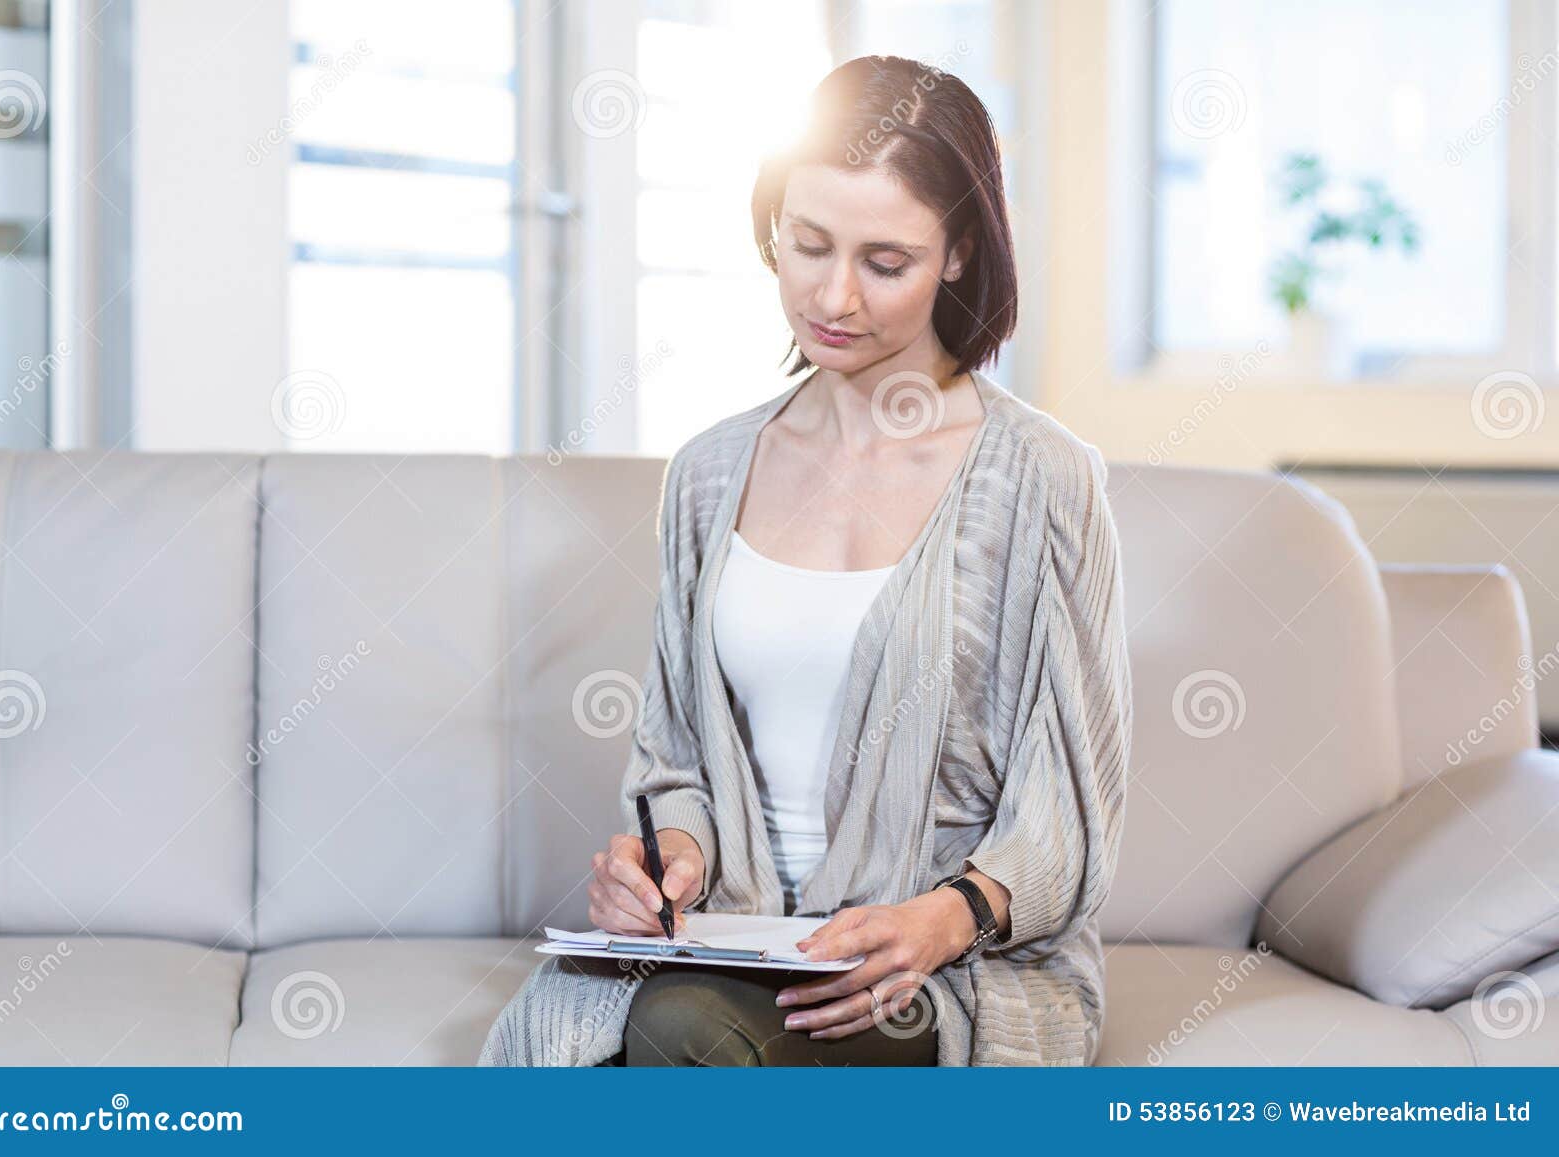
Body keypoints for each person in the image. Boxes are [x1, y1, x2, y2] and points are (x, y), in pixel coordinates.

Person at [479, 54, 1133, 1068]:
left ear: (960, 254)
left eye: (885, 261)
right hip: (728, 943)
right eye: (808, 243)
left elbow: (1069, 802)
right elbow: (674, 759)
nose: (833, 295)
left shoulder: (1042, 477)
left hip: (938, 968)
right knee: (639, 1026)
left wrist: (943, 918)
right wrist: (667, 863)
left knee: (682, 1037)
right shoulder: (709, 472)